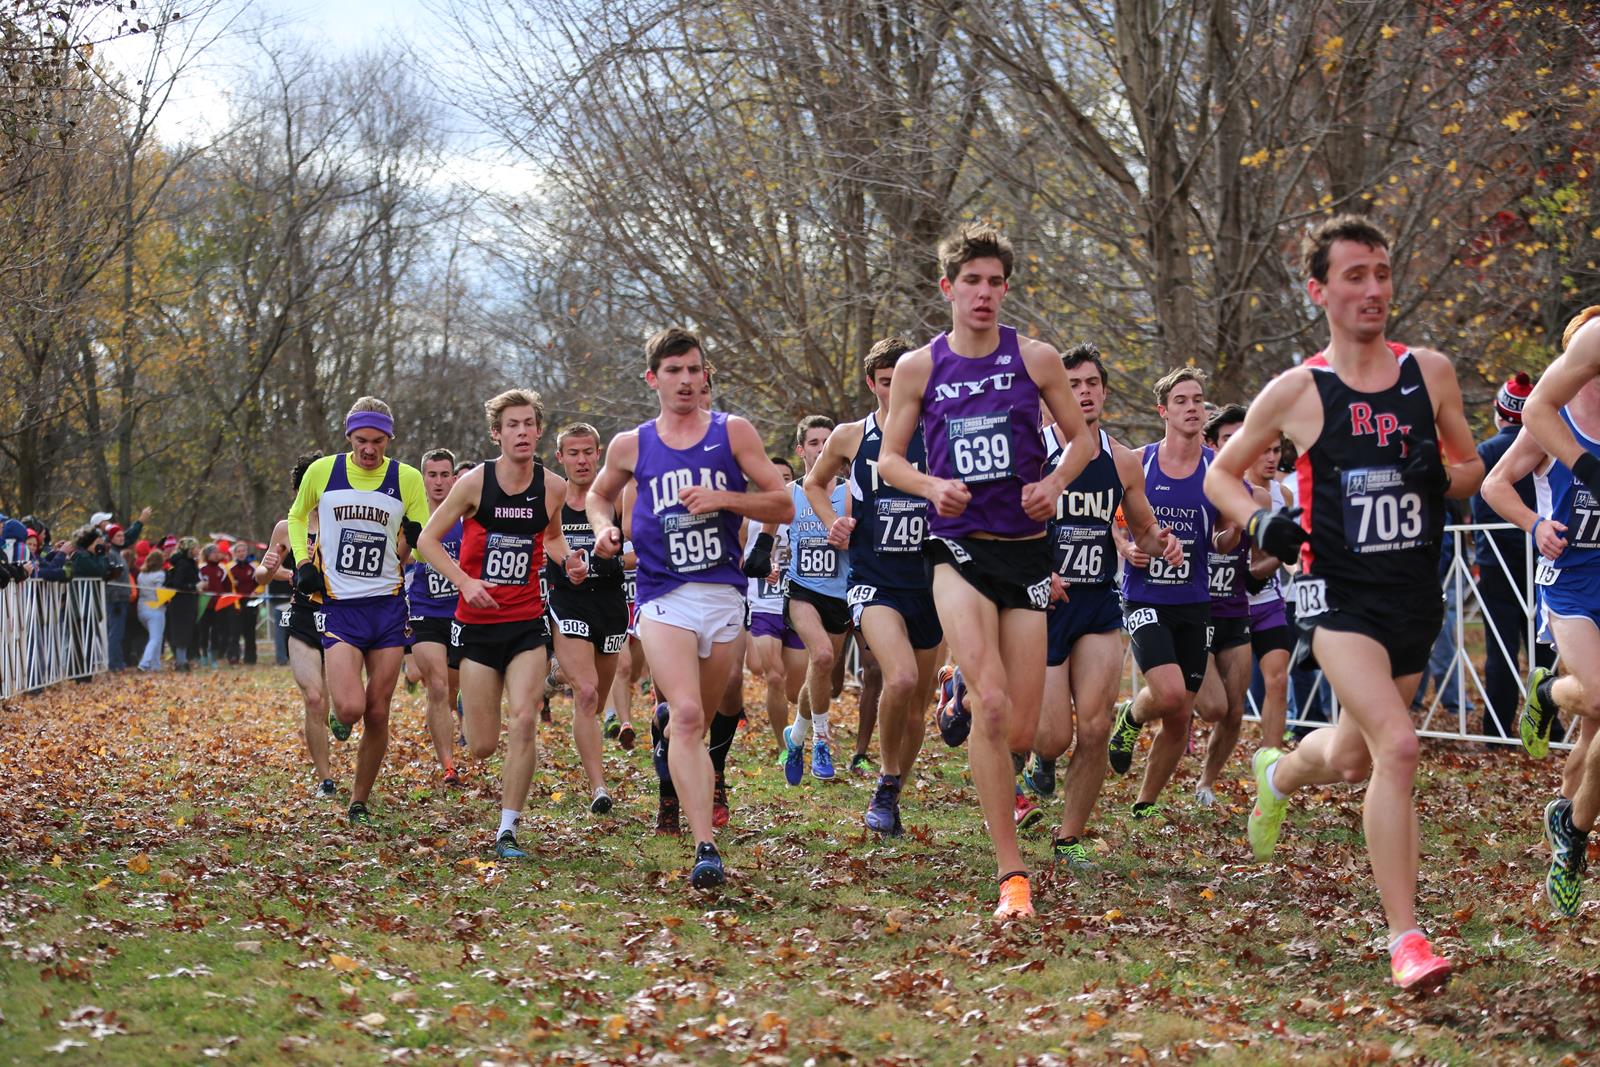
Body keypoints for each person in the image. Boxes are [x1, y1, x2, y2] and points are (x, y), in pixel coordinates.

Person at [1205, 214, 1482, 991]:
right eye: (1355, 275)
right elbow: (1219, 475)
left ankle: (1279, 775)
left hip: (1412, 597)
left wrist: (1438, 474)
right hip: (1335, 599)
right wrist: (1261, 519)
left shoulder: (1430, 372)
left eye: (1383, 273)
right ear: (1319, 289)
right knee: (1397, 747)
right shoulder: (1299, 389)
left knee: (1358, 752)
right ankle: (1406, 940)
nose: (1373, 289)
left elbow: (1468, 471)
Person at [875, 223, 1097, 919]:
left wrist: (1056, 482)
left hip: (1026, 548)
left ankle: (955, 690)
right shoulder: (919, 366)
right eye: (971, 280)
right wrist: (929, 487)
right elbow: (889, 460)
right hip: (956, 546)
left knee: (1023, 731)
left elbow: (1084, 438)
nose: (984, 293)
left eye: (995, 281)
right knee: (995, 705)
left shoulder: (1036, 359)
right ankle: (1012, 874)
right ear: (948, 287)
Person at [587, 327, 793, 889]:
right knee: (688, 717)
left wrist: (724, 497)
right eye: (673, 370)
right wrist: (605, 530)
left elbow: (783, 503)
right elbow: (598, 494)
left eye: (694, 370)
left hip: (724, 595)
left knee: (693, 725)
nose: (685, 380)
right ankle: (706, 847)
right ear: (653, 378)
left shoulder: (733, 433)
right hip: (662, 594)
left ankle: (671, 745)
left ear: (706, 377)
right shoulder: (632, 443)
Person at [1025, 343, 1181, 869]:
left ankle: (1069, 838)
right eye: (1072, 385)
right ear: (1052, 397)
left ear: (1104, 392)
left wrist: (1164, 541)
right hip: (1040, 605)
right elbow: (1001, 527)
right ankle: (973, 700)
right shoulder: (1031, 451)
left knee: (1093, 728)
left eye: (1092, 383)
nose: (1084, 393)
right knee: (1051, 736)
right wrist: (1034, 571)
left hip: (1096, 603)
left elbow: (1142, 526)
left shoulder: (1122, 459)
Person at [418, 389, 577, 858]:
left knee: (525, 719)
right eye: (512, 424)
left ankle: (507, 829)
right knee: (482, 746)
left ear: (539, 430)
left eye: (529, 423)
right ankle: (482, 702)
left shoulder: (553, 487)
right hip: (476, 626)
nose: (522, 431)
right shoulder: (472, 483)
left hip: (526, 621)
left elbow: (552, 539)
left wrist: (571, 562)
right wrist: (465, 582)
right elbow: (428, 541)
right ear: (497, 433)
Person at [805, 336, 948, 835]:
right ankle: (885, 785)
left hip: (931, 583)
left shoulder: (938, 433)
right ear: (873, 383)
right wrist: (831, 522)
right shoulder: (850, 436)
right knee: (900, 678)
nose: (897, 390)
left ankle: (892, 794)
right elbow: (813, 484)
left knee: (916, 707)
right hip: (873, 581)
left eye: (906, 380)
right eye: (887, 382)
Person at [287, 398, 431, 825]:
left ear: (390, 439)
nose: (370, 449)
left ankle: (359, 800)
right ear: (349, 437)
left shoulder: (406, 478)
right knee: (349, 708)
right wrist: (301, 563)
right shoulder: (322, 472)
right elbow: (296, 517)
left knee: (378, 710)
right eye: (362, 440)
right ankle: (339, 718)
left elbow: (422, 537)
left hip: (387, 606)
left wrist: (422, 540)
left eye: (379, 441)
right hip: (341, 608)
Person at [1105, 368, 1239, 818]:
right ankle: (1130, 716)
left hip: (1194, 600)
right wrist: (1127, 546)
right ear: (1163, 411)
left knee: (1181, 716)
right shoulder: (1138, 461)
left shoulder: (1216, 469)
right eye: (1181, 400)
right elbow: (1111, 519)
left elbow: (1222, 538)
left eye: (1198, 399)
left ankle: (1144, 804)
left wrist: (1235, 531)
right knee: (1167, 692)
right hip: (1144, 596)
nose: (1192, 408)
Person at [1503, 305, 1600, 916]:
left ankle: (1570, 830)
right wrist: (1536, 523)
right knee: (1597, 699)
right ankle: (1548, 692)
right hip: (1569, 581)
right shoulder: (1553, 419)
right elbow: (1493, 484)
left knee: (1594, 735)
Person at [547, 423, 631, 815]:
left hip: (611, 605)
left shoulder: (616, 496)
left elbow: (640, 551)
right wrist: (567, 562)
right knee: (586, 693)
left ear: (598, 454)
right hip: (568, 601)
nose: (581, 460)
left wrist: (609, 554)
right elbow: (540, 544)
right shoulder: (551, 498)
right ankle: (599, 787)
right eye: (573, 453)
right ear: (560, 457)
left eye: (588, 452)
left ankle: (554, 676)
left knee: (594, 704)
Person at [1471, 372, 1554, 740]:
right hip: (1542, 556)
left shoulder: (1487, 451)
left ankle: (1497, 728)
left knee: (1500, 650)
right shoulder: (1549, 445)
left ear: (1499, 411)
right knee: (1544, 649)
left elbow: (1480, 508)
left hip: (1497, 565)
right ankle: (1549, 726)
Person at [1192, 406, 1268, 807]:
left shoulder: (1259, 498)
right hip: (1192, 610)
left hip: (1235, 609)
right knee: (1211, 706)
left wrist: (1296, 545)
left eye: (1243, 439)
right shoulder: (1195, 490)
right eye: (1227, 440)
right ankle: (1146, 706)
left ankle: (1205, 783)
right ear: (1210, 445)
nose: (1236, 447)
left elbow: (1262, 562)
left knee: (1234, 712)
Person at [258, 452, 336, 800]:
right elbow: (261, 575)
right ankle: (325, 779)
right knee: (315, 697)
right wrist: (269, 567)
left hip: (340, 616)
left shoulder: (343, 518)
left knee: (340, 704)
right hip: (302, 616)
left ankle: (343, 719)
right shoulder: (286, 525)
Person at [779, 415, 849, 783]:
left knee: (821, 672)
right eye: (814, 443)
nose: (821, 449)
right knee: (821, 655)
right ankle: (821, 741)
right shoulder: (789, 494)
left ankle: (797, 736)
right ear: (800, 450)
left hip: (840, 594)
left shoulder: (851, 492)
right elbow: (766, 535)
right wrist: (767, 563)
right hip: (802, 590)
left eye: (827, 443)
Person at [406, 447, 465, 785]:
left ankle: (458, 738)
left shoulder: (466, 517)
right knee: (439, 687)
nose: (439, 482)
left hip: (461, 614)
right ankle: (448, 764)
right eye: (432, 475)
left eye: (445, 475)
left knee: (455, 690)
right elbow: (396, 560)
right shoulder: (412, 516)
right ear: (423, 477)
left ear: (454, 478)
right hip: (424, 611)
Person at [1244, 436, 1297, 748]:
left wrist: (1298, 566)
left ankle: (1270, 763)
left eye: (1276, 451)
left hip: (1268, 601)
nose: (1271, 458)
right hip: (1229, 603)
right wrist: (1283, 556)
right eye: (1263, 451)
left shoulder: (1284, 495)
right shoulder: (1232, 489)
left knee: (1277, 681)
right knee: (1224, 703)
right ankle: (1207, 778)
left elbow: (1288, 555)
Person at [163, 538, 200, 672]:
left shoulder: (188, 563)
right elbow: (178, 584)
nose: (198, 550)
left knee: (185, 632)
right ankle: (181, 661)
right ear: (189, 549)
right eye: (196, 547)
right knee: (181, 632)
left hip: (187, 603)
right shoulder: (183, 564)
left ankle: (182, 660)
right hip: (182, 604)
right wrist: (194, 586)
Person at [227, 542, 260, 666]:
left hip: (251, 601)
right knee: (234, 632)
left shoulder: (254, 566)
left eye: (243, 551)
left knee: (250, 632)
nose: (241, 553)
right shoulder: (229, 567)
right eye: (239, 551)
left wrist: (256, 592)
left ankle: (250, 658)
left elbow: (260, 582)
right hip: (235, 603)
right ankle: (233, 656)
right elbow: (228, 584)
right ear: (234, 553)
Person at [136, 549, 168, 671]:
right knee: (155, 638)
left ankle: (155, 665)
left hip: (142, 609)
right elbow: (159, 592)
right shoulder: (160, 575)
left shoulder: (141, 575)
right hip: (156, 610)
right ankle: (145, 663)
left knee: (156, 637)